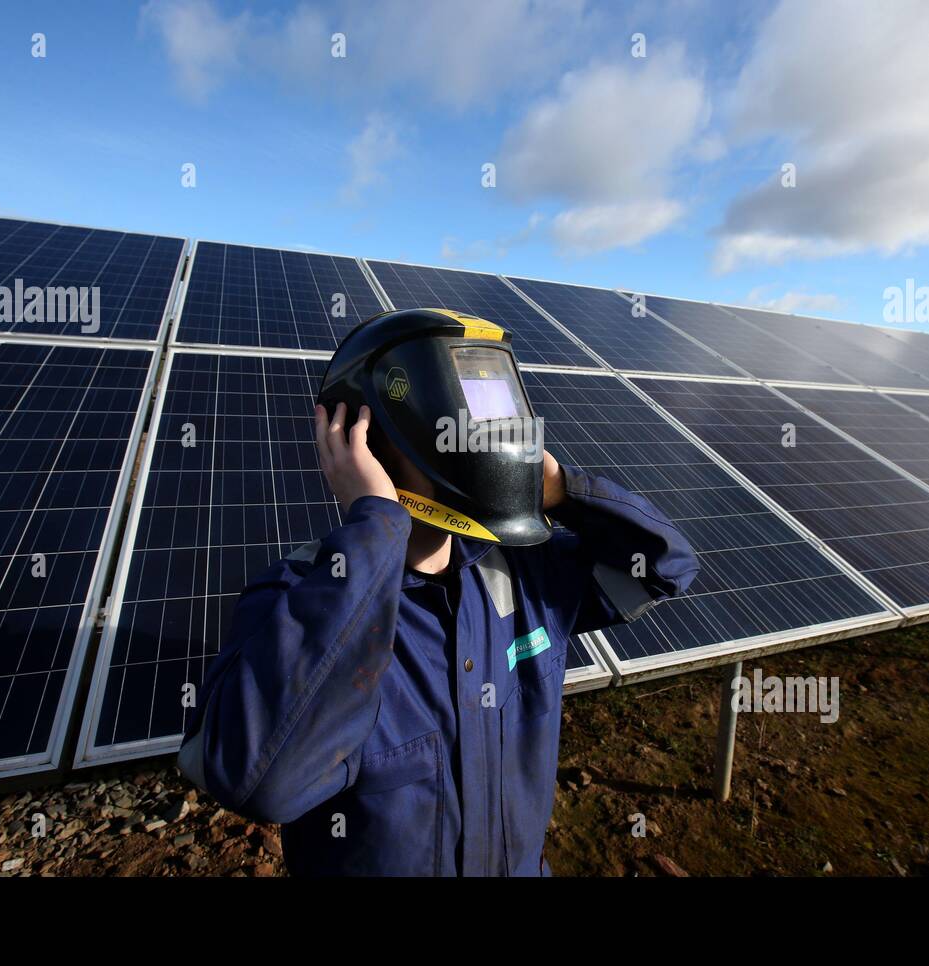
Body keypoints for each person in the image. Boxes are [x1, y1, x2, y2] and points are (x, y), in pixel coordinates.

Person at [178, 308, 698, 876]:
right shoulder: (299, 601)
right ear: (367, 442)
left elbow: (664, 568)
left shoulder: (528, 572)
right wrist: (375, 525)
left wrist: (563, 490)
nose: (501, 434)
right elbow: (262, 782)